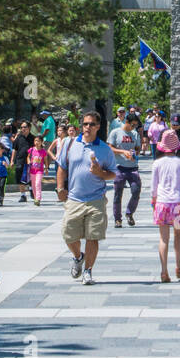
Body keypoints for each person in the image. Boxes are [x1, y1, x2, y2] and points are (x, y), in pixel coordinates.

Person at [56, 111, 117, 286]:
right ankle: (78, 256)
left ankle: (88, 271)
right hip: (74, 198)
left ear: (98, 127)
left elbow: (113, 173)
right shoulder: (70, 144)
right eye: (84, 124)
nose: (87, 127)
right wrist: (60, 188)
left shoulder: (105, 149)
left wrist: (100, 173)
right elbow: (62, 167)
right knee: (68, 234)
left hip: (96, 198)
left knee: (93, 236)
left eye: (91, 124)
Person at [150, 130, 180, 282]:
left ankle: (164, 271)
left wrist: (153, 202)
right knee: (179, 236)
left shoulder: (156, 163)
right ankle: (178, 266)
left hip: (162, 202)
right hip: (178, 202)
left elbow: (153, 187)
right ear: (176, 147)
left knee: (163, 239)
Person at [110, 111, 142, 227]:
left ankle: (129, 212)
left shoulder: (135, 134)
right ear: (126, 122)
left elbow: (137, 147)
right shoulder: (116, 132)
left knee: (136, 191)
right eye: (132, 125)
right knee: (118, 194)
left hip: (132, 167)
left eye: (135, 126)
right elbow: (110, 147)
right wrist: (122, 151)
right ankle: (117, 219)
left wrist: (135, 153)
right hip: (119, 167)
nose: (133, 128)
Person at [11, 120, 33, 203]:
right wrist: (12, 160)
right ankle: (23, 195)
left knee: (31, 176)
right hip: (20, 159)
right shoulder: (19, 138)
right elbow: (14, 149)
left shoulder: (33, 138)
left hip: (31, 161)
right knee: (20, 177)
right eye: (21, 127)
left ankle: (31, 189)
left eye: (25, 127)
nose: (23, 129)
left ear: (29, 128)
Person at [27, 136, 49, 206]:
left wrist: (46, 168)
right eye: (35, 141)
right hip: (32, 170)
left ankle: (38, 198)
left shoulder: (43, 151)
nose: (37, 142)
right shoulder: (31, 150)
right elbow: (28, 157)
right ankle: (35, 197)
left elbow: (45, 160)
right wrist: (28, 162)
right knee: (33, 185)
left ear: (41, 142)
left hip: (40, 170)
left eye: (38, 141)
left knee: (37, 183)